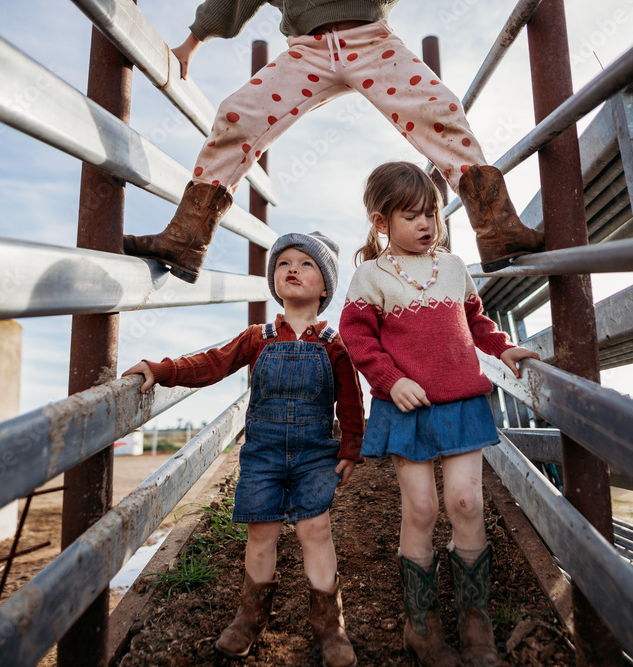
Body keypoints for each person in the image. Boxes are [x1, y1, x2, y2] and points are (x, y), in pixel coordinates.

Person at [123, 0, 543, 283]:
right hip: (308, 49)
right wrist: (192, 41)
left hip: (370, 39)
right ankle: (186, 239)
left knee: (441, 110)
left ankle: (496, 228)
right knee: (236, 116)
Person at [122, 231, 364, 667]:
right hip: (263, 457)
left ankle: (330, 625)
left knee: (316, 531)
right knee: (261, 532)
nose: (293, 268)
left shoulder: (334, 345)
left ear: (325, 287)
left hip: (314, 456)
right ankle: (250, 617)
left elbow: (350, 400)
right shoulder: (258, 337)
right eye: (284, 262)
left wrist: (350, 449)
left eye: (306, 263)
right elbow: (212, 363)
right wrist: (163, 370)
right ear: (274, 280)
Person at [339, 162, 539, 666]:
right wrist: (391, 380)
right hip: (408, 407)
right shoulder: (370, 276)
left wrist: (503, 348)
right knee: (422, 509)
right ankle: (421, 626)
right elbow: (357, 338)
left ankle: (477, 626)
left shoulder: (452, 267)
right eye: (412, 216)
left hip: (461, 402)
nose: (427, 224)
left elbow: (475, 320)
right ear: (381, 223)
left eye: (432, 213)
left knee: (467, 502)